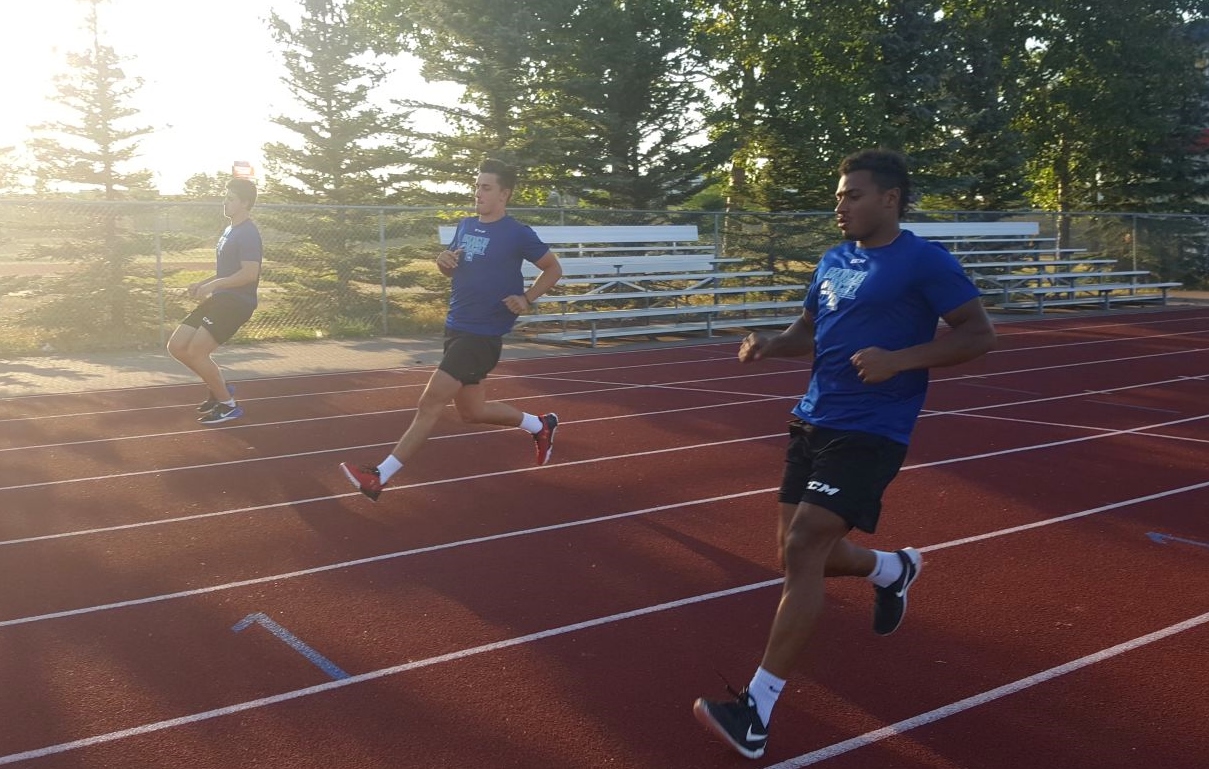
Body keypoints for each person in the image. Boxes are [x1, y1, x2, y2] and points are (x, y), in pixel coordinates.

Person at [692, 149, 997, 759]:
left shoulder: (922, 260)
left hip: (873, 427)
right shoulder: (834, 260)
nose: (841, 204)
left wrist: (899, 360)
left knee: (805, 546)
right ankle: (891, 569)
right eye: (838, 195)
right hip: (812, 419)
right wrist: (769, 346)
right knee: (798, 554)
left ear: (890, 198)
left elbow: (978, 333)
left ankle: (757, 709)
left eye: (853, 194)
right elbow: (807, 329)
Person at [339, 159, 564, 501]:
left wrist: (527, 297)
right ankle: (540, 424)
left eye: (486, 187)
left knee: (429, 403)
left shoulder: (517, 233)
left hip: (482, 334)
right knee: (471, 412)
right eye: (477, 186)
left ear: (504, 194)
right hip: (456, 326)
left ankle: (379, 476)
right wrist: (443, 263)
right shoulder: (465, 225)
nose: (478, 193)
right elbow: (454, 267)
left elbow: (553, 268)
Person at [167, 177, 263, 425]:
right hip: (221, 298)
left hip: (236, 303)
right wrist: (204, 283)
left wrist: (214, 285)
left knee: (197, 352)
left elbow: (249, 274)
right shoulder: (230, 229)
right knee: (176, 346)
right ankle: (218, 387)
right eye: (225, 197)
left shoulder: (249, 233)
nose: (225, 202)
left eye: (230, 199)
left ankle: (228, 406)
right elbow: (226, 271)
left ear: (244, 203)